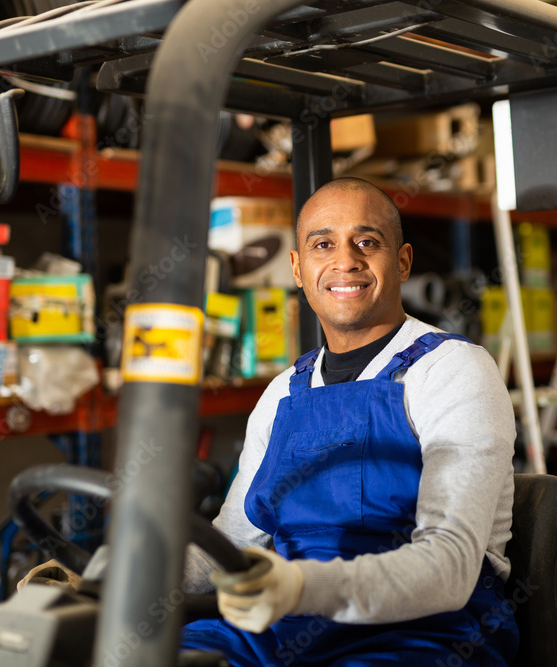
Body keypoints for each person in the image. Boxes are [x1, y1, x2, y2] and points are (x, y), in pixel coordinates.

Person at [181, 177, 519, 666]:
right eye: (323, 245)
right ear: (297, 268)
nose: (345, 261)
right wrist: (123, 577)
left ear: (402, 262)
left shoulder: (451, 370)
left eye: (367, 242)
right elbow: (231, 545)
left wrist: (300, 586)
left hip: (425, 635)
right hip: (286, 626)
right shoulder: (283, 393)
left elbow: (450, 566)